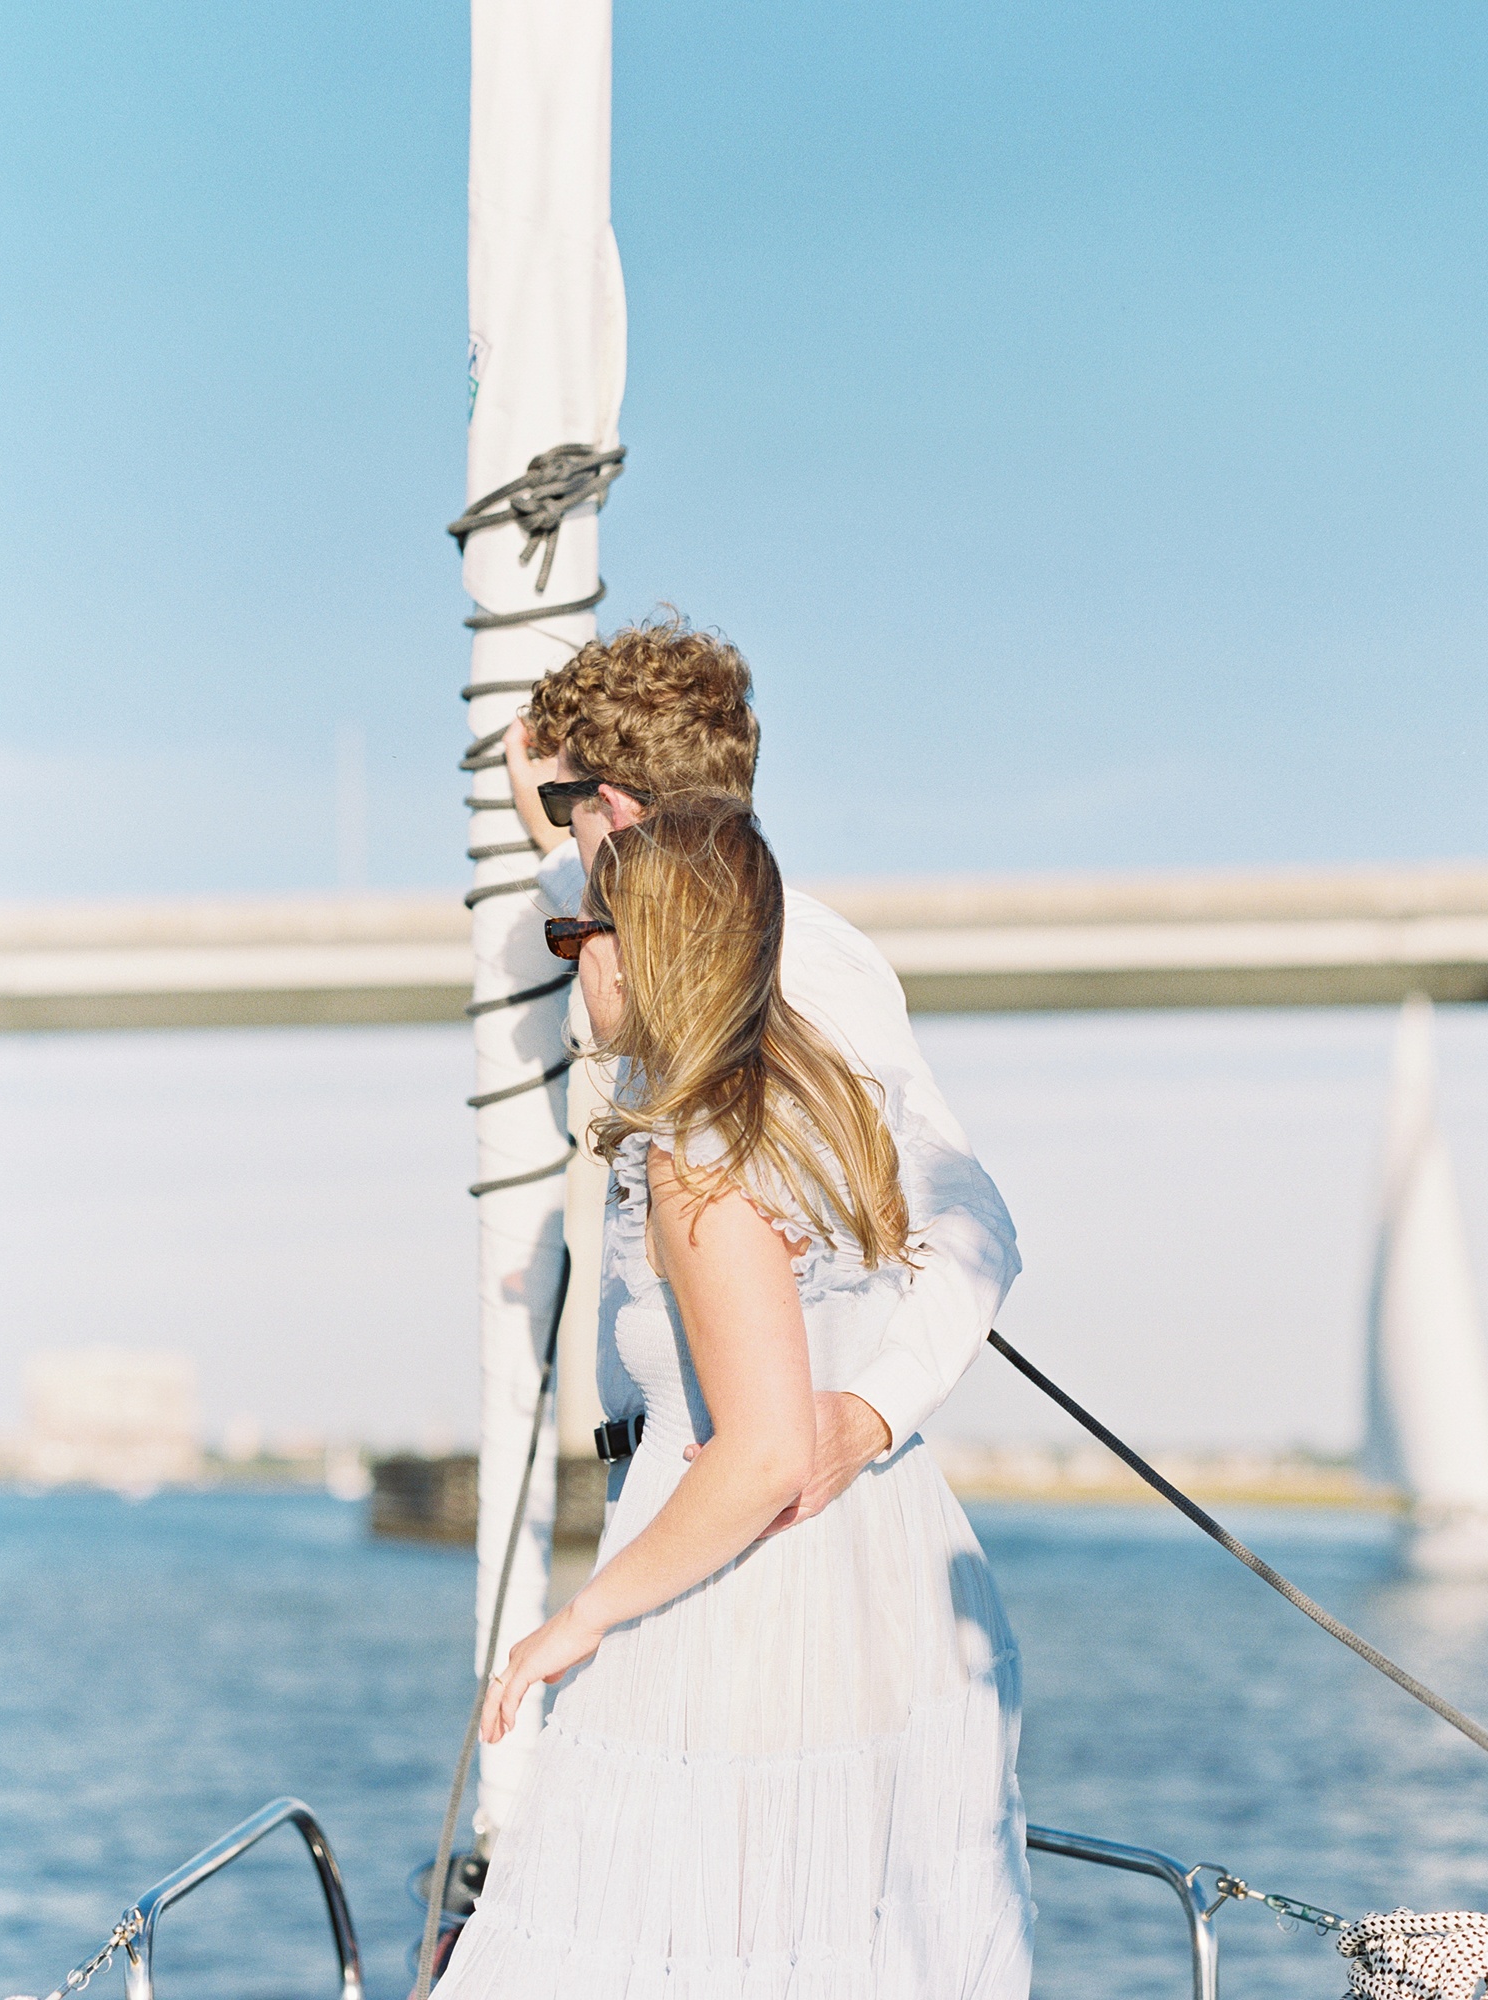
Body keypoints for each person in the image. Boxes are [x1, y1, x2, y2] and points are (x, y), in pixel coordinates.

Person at [437, 797, 1034, 1996]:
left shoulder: (695, 1154)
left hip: (740, 1610)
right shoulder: (822, 1107)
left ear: (641, 949)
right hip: (876, 1597)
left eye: (577, 937)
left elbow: (759, 1449)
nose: (574, 964)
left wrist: (580, 1619)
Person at [503, 617, 1021, 1521]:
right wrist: (549, 824)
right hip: (687, 1482)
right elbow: (582, 885)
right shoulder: (667, 946)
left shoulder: (800, 958)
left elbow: (968, 1212)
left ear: (617, 809)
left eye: (569, 806)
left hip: (778, 1502)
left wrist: (866, 1416)